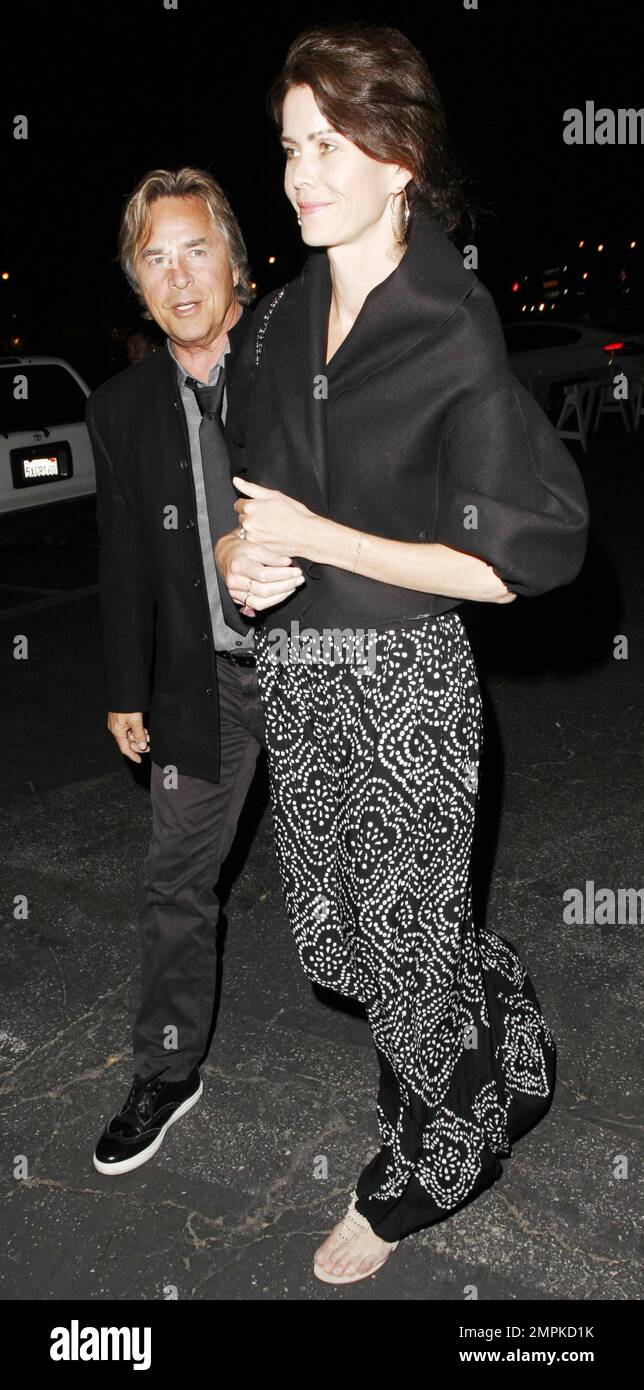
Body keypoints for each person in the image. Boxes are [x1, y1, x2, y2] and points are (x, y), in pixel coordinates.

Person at [217, 22, 589, 1284]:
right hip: (298, 681)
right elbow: (247, 503)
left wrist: (326, 535)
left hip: (406, 686)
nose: (301, 172)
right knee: (338, 945)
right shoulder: (270, 326)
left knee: (406, 966)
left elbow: (512, 559)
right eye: (288, 147)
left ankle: (425, 1165)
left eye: (328, 143)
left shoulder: (450, 326)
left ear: (398, 158)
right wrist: (238, 561)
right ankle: (511, 1035)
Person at [86, 168, 304, 1175]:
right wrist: (125, 682)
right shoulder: (123, 405)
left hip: (318, 662)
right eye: (153, 257)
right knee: (177, 881)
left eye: (195, 249)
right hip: (203, 682)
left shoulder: (296, 352)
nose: (178, 277)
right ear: (136, 279)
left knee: (367, 873)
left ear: (235, 260)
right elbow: (123, 549)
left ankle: (427, 1067)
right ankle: (167, 1070)